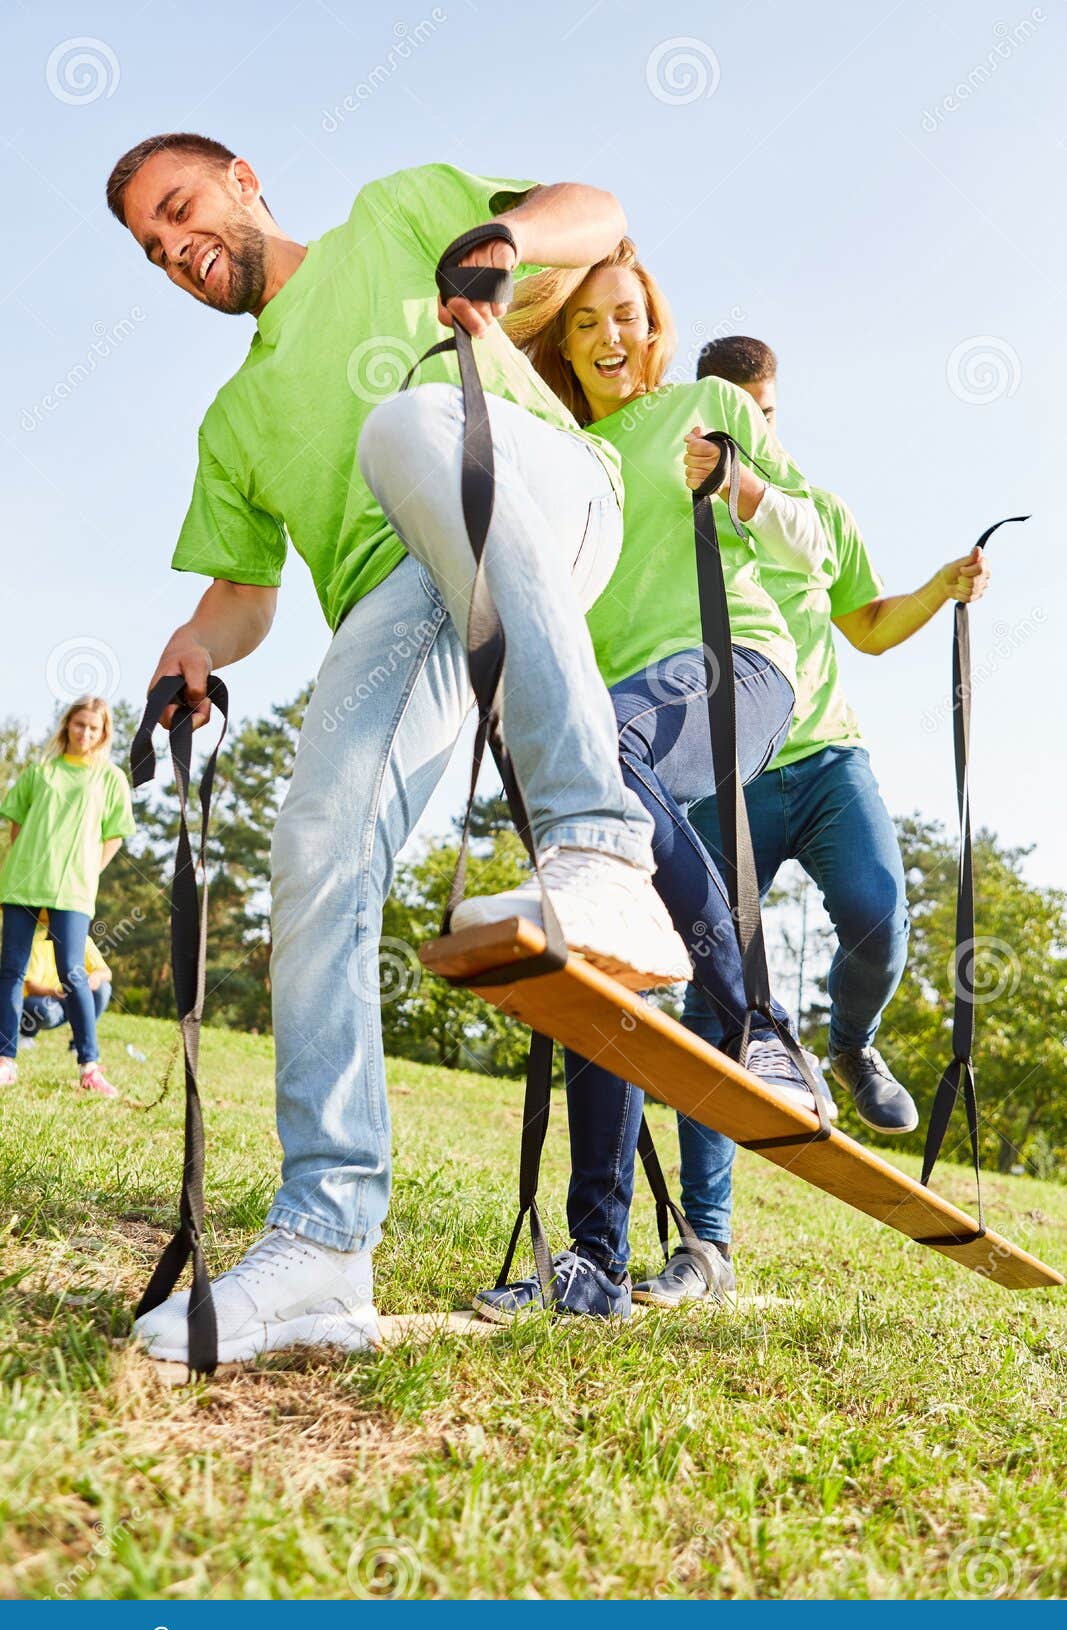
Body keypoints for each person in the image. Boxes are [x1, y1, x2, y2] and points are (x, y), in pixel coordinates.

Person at [106, 132, 689, 1367]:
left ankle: (600, 843)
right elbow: (244, 595)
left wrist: (505, 247)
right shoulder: (235, 416)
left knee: (402, 425)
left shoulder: (395, 206)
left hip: (533, 487)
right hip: (408, 609)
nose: (174, 246)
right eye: (152, 248)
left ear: (246, 177)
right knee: (313, 845)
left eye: (178, 207)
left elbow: (597, 205)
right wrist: (191, 645)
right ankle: (324, 1240)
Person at [468, 243, 833, 1323]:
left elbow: (810, 543)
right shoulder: (558, 450)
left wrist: (737, 479)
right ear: (561, 348)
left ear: (654, 320)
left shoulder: (708, 401)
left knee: (603, 749)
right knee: (608, 967)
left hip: (735, 671)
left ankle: (755, 1018)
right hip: (612, 704)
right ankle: (591, 1261)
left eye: (624, 315)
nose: (610, 338)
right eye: (584, 326)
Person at [634, 334, 992, 1308]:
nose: (753, 427)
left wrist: (938, 589)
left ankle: (846, 1041)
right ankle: (702, 1244)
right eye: (734, 411)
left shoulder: (814, 509)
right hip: (726, 773)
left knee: (877, 914)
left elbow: (866, 625)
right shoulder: (670, 491)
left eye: (765, 411)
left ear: (770, 413)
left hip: (827, 758)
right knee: (711, 997)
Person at [0, 696, 133, 1098]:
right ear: (67, 726)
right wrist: (25, 869)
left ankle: (89, 1066)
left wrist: (87, 871)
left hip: (73, 890)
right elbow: (17, 828)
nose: (85, 733)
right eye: (79, 724)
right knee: (11, 970)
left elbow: (114, 836)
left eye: (94, 728)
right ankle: (5, 1061)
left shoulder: (110, 778)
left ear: (103, 733)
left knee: (73, 973)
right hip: (23, 883)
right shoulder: (39, 772)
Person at [20, 916, 113, 1050]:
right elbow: (31, 986)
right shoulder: (38, 944)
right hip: (45, 1001)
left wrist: (95, 978)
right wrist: (59, 993)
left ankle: (79, 1043)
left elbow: (106, 972)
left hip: (72, 999)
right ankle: (25, 1034)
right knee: (45, 1010)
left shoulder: (84, 942)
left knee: (103, 988)